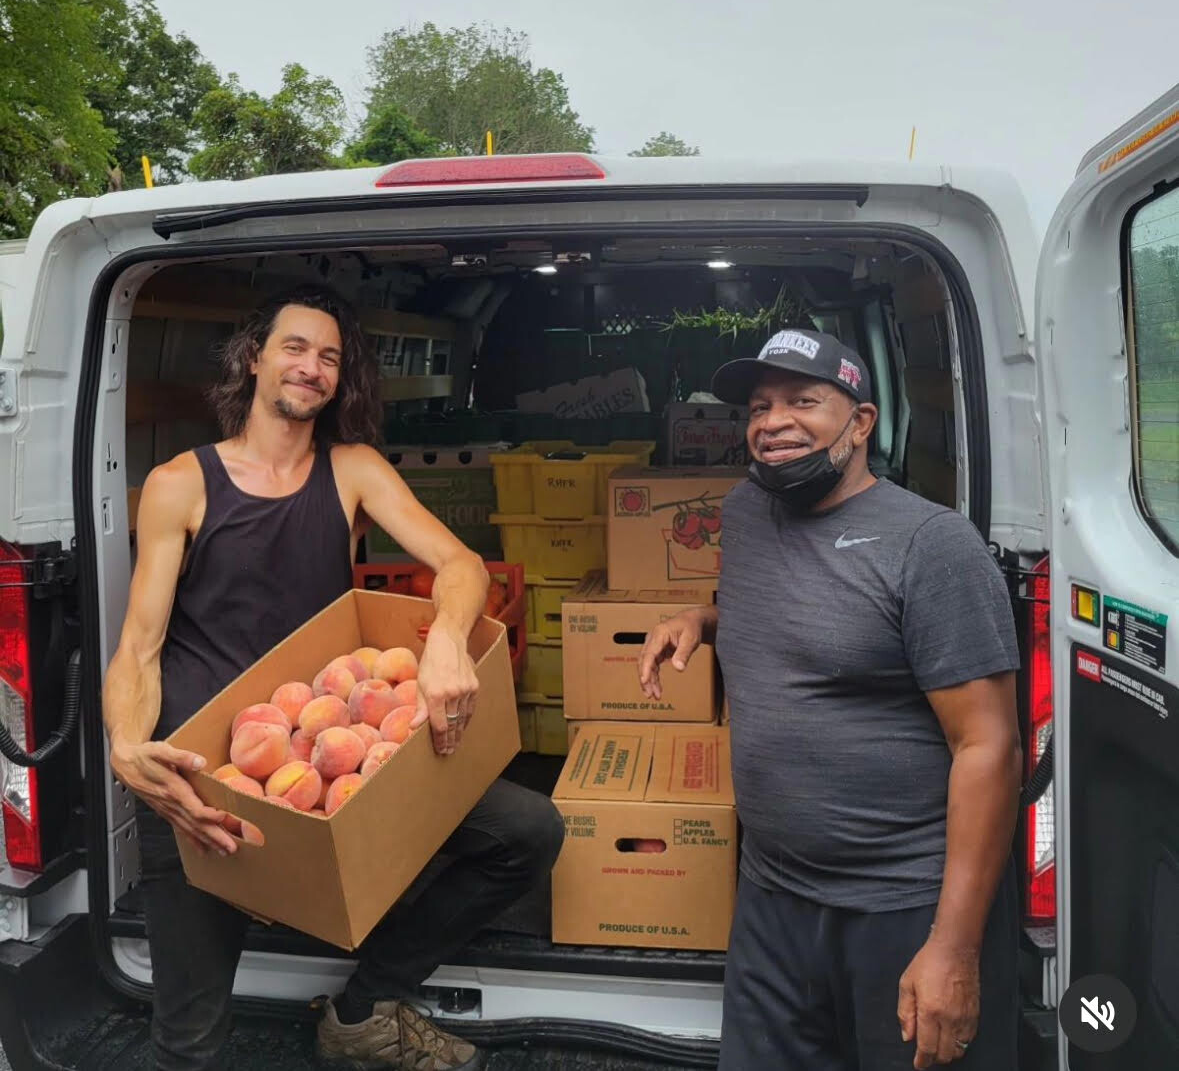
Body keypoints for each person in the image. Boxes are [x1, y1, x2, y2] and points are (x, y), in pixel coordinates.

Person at [102, 287, 565, 1071]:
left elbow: (457, 564)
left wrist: (449, 639)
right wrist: (126, 748)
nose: (310, 368)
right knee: (190, 1036)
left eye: (328, 357)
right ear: (254, 357)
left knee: (526, 834)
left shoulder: (350, 470)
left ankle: (361, 1008)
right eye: (293, 347)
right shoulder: (182, 482)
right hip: (208, 776)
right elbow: (139, 649)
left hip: (328, 746)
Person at [639, 329, 1022, 1071]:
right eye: (758, 406)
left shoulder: (931, 546)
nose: (771, 422)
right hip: (772, 896)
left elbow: (989, 748)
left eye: (802, 401)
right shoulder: (747, 512)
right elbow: (800, 619)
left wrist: (953, 948)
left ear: (861, 422)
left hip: (901, 907)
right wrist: (701, 620)